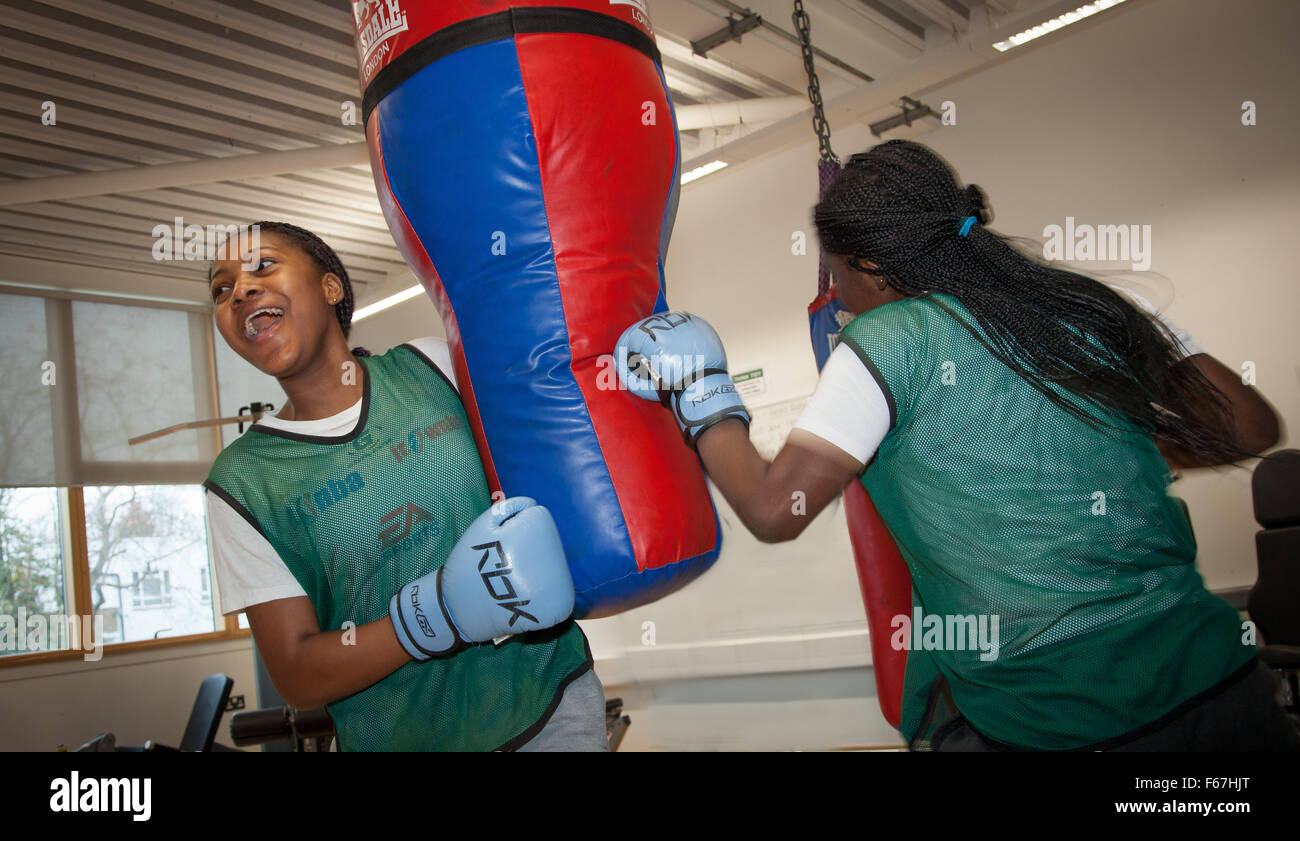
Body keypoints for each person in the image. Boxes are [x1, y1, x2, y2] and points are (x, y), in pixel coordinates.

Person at [618, 140, 1298, 751]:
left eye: (837, 277)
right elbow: (1250, 425)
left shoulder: (889, 340)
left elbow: (776, 507)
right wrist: (1111, 445)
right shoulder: (1087, 301)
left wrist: (704, 393)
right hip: (1225, 687)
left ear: (873, 267)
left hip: (1066, 716)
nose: (841, 298)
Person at [204, 221, 605, 751]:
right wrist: (431, 616)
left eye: (261, 266)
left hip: (545, 705)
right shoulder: (241, 482)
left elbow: (552, 441)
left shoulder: (430, 365)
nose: (240, 291)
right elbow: (297, 674)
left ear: (331, 288)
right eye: (221, 289)